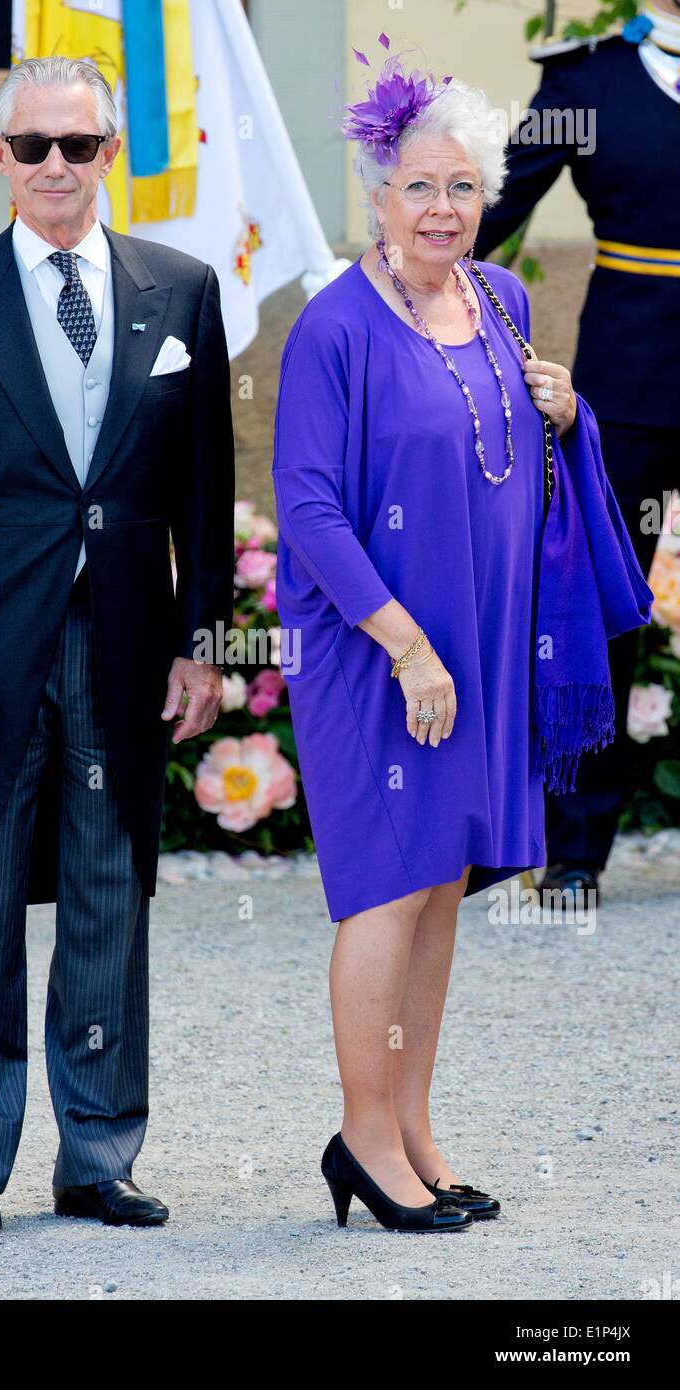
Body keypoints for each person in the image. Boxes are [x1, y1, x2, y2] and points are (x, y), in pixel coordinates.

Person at [271, 41, 652, 1234]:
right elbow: (308, 505)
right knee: (384, 890)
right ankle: (361, 1138)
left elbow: (516, 452)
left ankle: (412, 1132)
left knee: (441, 890)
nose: (442, 210)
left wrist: (563, 409)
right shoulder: (335, 329)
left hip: (478, 645)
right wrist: (403, 645)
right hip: (380, 650)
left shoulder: (499, 298)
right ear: (378, 197)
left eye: (462, 188)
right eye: (418, 188)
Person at [0, 57, 234, 1237]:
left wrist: (201, 641)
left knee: (103, 891)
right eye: (31, 147)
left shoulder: (179, 291)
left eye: (77, 147)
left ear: (108, 156)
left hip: (123, 642)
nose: (54, 169)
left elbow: (201, 487)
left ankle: (97, 1154)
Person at [474, 0, 680, 903]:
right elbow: (489, 210)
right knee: (601, 596)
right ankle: (576, 846)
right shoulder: (584, 78)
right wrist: (395, 290)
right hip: (631, 371)